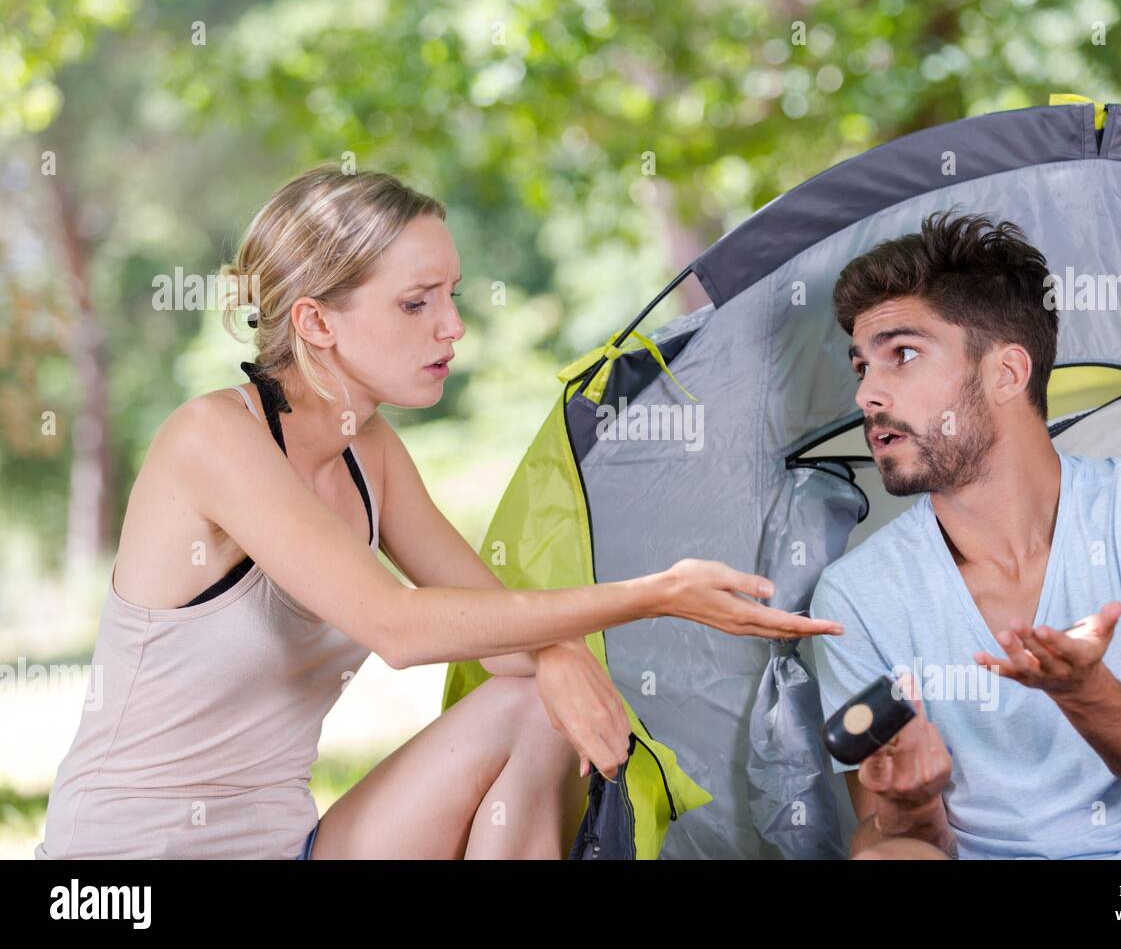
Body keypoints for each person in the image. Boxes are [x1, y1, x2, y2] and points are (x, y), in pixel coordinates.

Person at [36, 165, 840, 860]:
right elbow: (401, 626)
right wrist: (657, 592)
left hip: (285, 844)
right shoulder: (212, 438)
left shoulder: (370, 451)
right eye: (416, 304)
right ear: (315, 321)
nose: (453, 327)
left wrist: (554, 653)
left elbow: (492, 628)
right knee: (536, 681)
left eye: (450, 296)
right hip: (122, 866)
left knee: (532, 704)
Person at [809, 211, 1121, 860]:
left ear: (1007, 374)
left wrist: (1085, 693)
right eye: (861, 368)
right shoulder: (854, 595)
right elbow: (895, 842)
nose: (868, 394)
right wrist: (912, 805)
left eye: (902, 355)